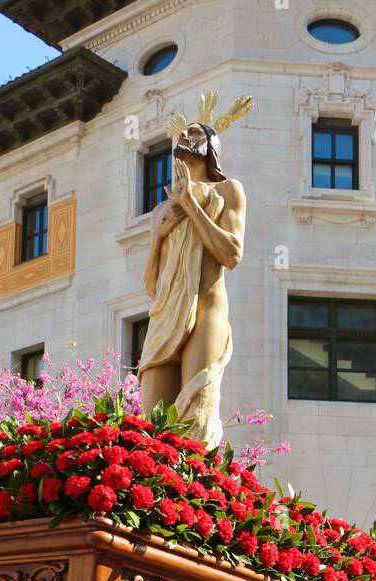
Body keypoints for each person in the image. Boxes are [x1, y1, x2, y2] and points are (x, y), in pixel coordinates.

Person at [138, 94, 250, 449]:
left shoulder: (228, 191)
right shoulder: (161, 210)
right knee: (151, 423)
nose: (186, 139)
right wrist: (157, 237)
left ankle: (198, 498)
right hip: (165, 315)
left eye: (196, 135)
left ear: (211, 148)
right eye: (182, 136)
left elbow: (231, 253)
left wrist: (191, 204)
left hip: (206, 312)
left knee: (194, 418)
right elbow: (151, 286)